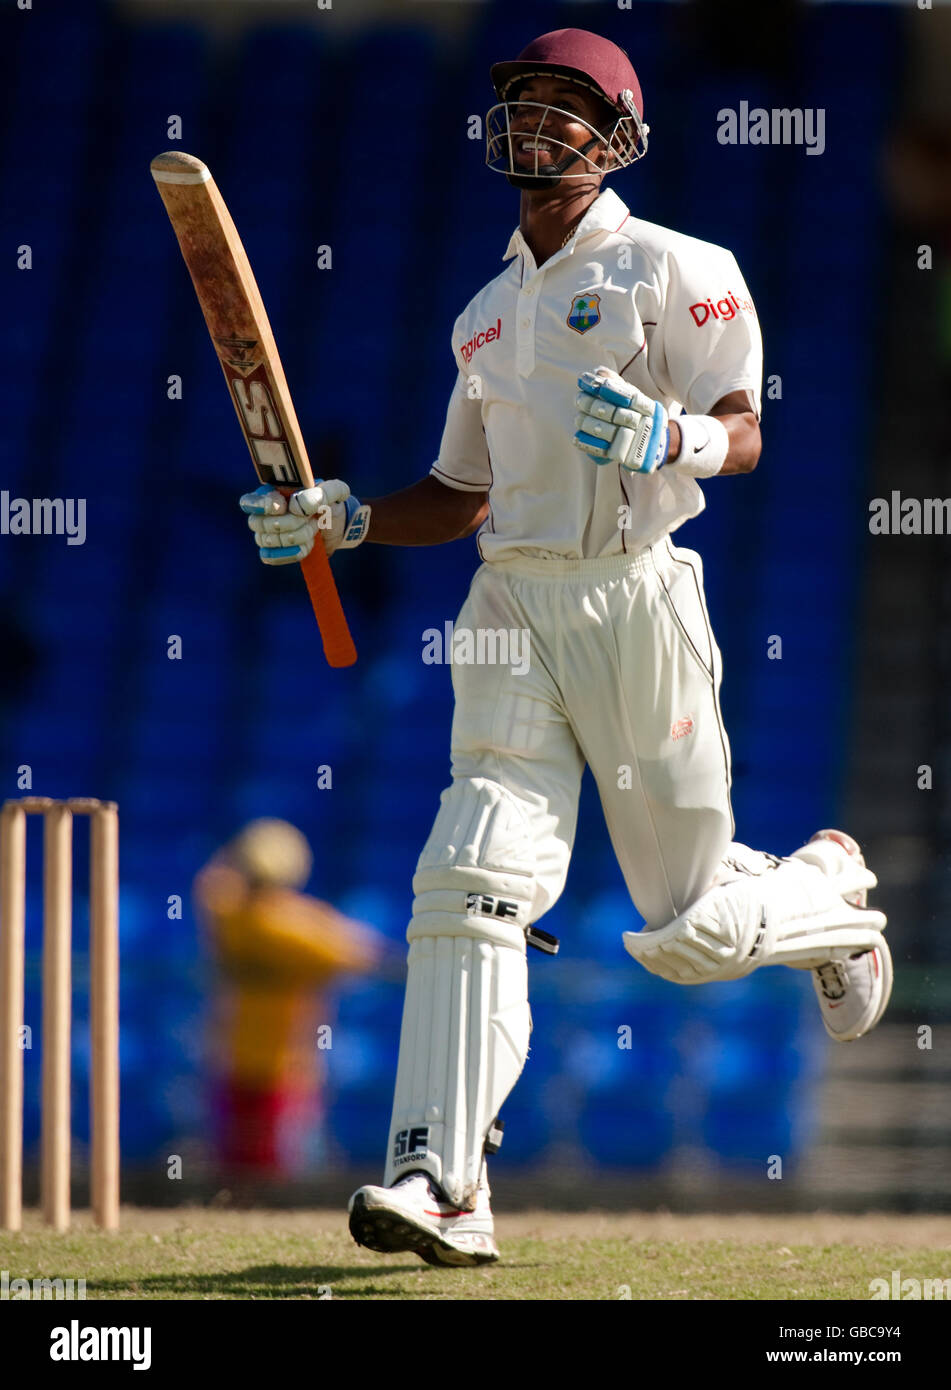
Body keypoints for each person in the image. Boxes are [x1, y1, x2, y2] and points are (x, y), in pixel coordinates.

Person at [240, 28, 892, 1265]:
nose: (535, 123)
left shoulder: (681, 266)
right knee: (468, 870)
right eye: (520, 104)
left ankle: (829, 896)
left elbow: (745, 433)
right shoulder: (485, 317)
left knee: (689, 928)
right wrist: (354, 515)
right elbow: (459, 490)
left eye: (562, 105)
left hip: (634, 597)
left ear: (619, 133)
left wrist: (668, 436)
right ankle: (443, 1178)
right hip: (508, 610)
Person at [195, 818, 384, 1183]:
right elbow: (363, 954)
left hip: (234, 1060)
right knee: (275, 1171)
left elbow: (208, 885)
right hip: (283, 1068)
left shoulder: (230, 915)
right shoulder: (295, 926)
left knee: (236, 1165)